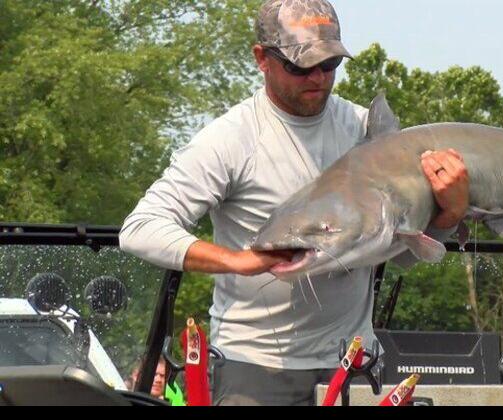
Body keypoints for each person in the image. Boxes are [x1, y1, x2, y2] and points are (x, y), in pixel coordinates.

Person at [119, 0, 469, 406]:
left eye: (330, 64)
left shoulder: (365, 131)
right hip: (255, 369)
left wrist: (451, 210)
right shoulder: (231, 139)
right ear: (261, 59)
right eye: (301, 67)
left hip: (355, 363)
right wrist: (238, 261)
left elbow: (408, 254)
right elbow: (140, 228)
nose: (318, 78)